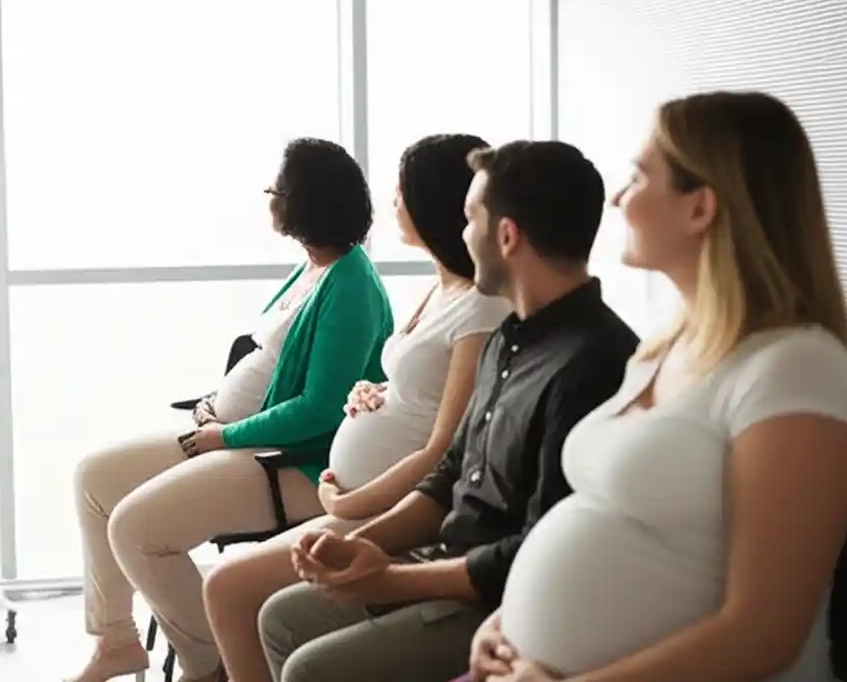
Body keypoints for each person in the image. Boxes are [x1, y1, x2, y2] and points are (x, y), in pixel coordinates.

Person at [467, 92, 847, 682]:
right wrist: (503, 621)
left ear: (700, 207)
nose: (619, 198)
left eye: (638, 176)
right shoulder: (664, 347)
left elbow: (764, 634)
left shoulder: (797, 368)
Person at [257, 140, 639, 682]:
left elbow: (539, 547)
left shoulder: (592, 361)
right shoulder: (511, 337)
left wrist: (392, 579)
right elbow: (450, 473)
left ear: (506, 236)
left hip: (500, 599)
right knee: (282, 618)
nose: (460, 236)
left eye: (469, 219)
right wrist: (359, 543)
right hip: (444, 558)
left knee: (311, 669)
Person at [69, 138, 394, 682]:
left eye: (278, 189)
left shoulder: (352, 285)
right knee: (95, 479)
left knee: (135, 528)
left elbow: (318, 408)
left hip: (290, 461)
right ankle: (116, 640)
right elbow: (268, 363)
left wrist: (226, 434)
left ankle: (214, 664)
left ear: (307, 201)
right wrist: (213, 408)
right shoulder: (312, 268)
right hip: (234, 435)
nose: (270, 198)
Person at [203, 133, 511, 682]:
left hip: (386, 506)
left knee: (232, 587)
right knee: (231, 588)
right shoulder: (439, 288)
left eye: (402, 191)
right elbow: (417, 386)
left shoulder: (482, 307)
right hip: (352, 494)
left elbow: (446, 445)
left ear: (434, 201)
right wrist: (374, 392)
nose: (391, 201)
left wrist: (348, 503)